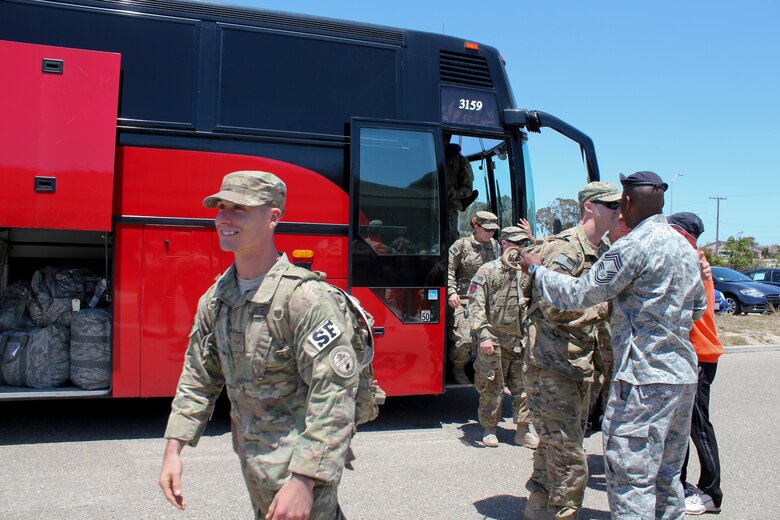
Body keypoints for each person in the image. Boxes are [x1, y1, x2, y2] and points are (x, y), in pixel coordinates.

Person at [159, 171, 360, 520]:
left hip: (300, 475)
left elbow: (334, 395)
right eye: (221, 206)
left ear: (273, 217)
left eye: (240, 208)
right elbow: (199, 376)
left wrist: (304, 480)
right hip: (253, 465)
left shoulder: (305, 299)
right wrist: (174, 447)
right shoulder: (217, 299)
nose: (224, 217)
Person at [519, 171, 707, 520]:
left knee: (631, 478)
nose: (619, 210)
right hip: (682, 376)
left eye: (620, 202)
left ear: (630, 202)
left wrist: (536, 271)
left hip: (643, 379)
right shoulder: (684, 246)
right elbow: (697, 309)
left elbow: (577, 294)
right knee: (667, 478)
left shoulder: (631, 248)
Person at [521, 181, 620, 520]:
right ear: (590, 206)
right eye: (611, 205)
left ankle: (538, 505)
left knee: (557, 442)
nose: (619, 211)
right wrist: (603, 308)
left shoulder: (603, 250)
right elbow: (551, 306)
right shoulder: (567, 250)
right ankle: (564, 512)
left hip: (581, 364)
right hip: (553, 365)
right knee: (568, 450)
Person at [668, 212, 725, 516]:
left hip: (699, 353)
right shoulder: (691, 258)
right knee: (680, 425)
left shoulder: (690, 259)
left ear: (685, 235)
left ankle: (711, 493)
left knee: (698, 425)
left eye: (671, 231)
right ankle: (679, 484)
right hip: (689, 353)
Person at [468, 226, 540, 449]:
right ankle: (490, 429)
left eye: (522, 244)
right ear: (503, 243)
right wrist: (484, 335)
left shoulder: (528, 271)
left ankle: (523, 431)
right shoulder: (487, 271)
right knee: (492, 388)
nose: (518, 248)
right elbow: (476, 304)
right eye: (513, 243)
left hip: (520, 341)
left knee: (524, 389)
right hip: (494, 341)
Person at [447, 211, 500, 384]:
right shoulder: (461, 245)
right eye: (488, 229)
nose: (491, 233)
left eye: (493, 230)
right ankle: (459, 367)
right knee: (464, 340)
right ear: (476, 227)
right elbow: (449, 271)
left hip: (487, 300)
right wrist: (451, 292)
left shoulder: (496, 246)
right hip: (464, 300)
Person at [445, 136, 476, 243]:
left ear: (447, 140)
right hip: (423, 206)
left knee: (448, 240)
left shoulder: (460, 161)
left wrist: (452, 193)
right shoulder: (428, 155)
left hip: (448, 208)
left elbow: (468, 189)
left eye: (444, 137)